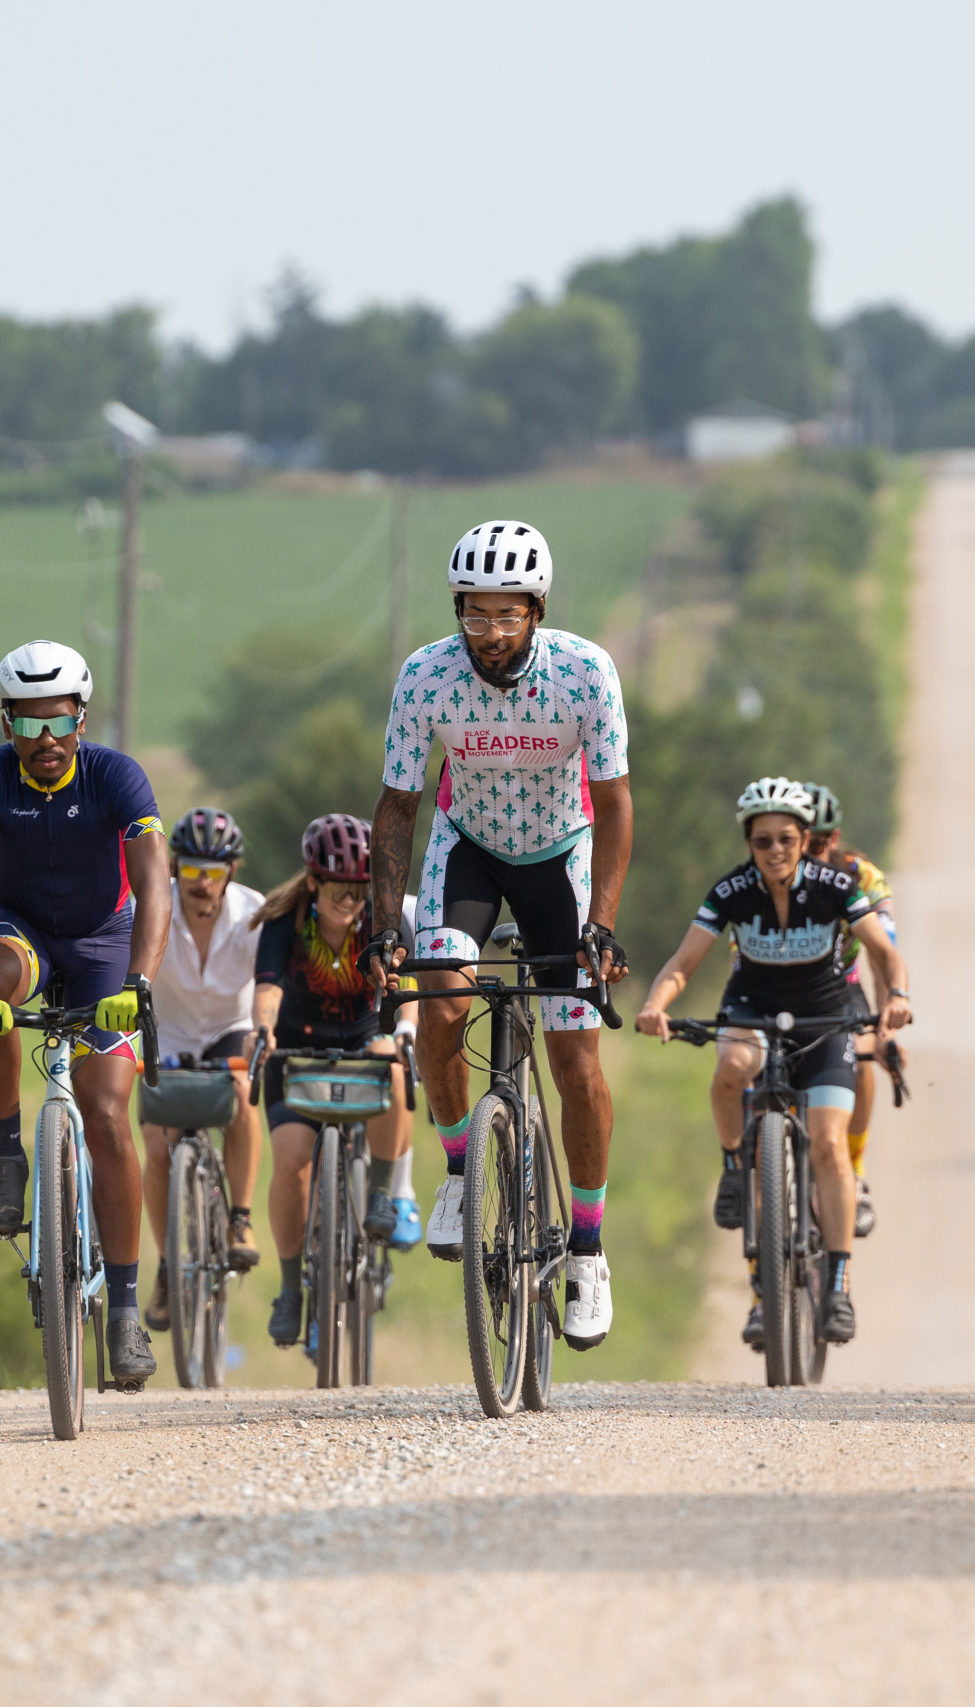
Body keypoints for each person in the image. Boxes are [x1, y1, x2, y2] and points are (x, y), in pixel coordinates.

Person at [366, 519, 634, 1351]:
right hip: (468, 850)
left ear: (536, 609)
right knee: (441, 1010)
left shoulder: (587, 672)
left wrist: (602, 927)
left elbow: (617, 805)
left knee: (574, 1058)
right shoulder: (425, 676)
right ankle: (458, 1166)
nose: (488, 634)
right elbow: (398, 809)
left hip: (561, 855)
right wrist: (384, 926)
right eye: (473, 615)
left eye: (505, 615)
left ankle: (587, 1248)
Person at [0, 640, 171, 1390]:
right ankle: (8, 1153)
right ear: (6, 722)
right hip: (24, 932)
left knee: (106, 1118)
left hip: (105, 943)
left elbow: (154, 884)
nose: (45, 741)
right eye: (28, 723)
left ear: (81, 718)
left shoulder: (114, 775)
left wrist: (138, 978)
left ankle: (126, 1311)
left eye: (59, 722)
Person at [632, 777, 912, 1347]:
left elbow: (884, 954)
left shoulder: (838, 885)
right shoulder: (732, 891)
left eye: (787, 839)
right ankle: (735, 1169)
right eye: (763, 842)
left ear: (805, 840)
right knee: (730, 1064)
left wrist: (898, 1000)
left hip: (825, 1017)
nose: (776, 851)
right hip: (753, 1009)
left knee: (830, 1145)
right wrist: (655, 1005)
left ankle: (836, 1283)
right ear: (749, 844)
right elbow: (684, 962)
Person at [255, 815, 415, 1351]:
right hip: (295, 1049)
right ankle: (289, 1287)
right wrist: (261, 1031)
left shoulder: (384, 921)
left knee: (393, 1065)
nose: (351, 905)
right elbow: (269, 990)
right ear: (313, 884)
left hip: (363, 1040)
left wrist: (403, 1035)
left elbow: (407, 994)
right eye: (340, 893)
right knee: (293, 1160)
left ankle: (379, 1195)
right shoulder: (285, 924)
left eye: (360, 893)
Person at [140, 807, 266, 1330]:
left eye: (213, 872)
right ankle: (169, 1264)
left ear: (231, 872)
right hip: (166, 1032)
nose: (202, 883)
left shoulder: (253, 912)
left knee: (240, 1092)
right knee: (155, 1138)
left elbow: (271, 981)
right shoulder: (153, 907)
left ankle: (240, 1220)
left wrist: (263, 1032)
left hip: (229, 1029)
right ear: (174, 868)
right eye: (191, 870)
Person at [802, 780, 903, 1238]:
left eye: (820, 842)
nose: (811, 853)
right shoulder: (769, 870)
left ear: (835, 838)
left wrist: (887, 1024)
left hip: (841, 987)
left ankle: (854, 1171)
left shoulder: (862, 876)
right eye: (803, 841)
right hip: (775, 988)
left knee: (860, 1060)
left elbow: (885, 956)